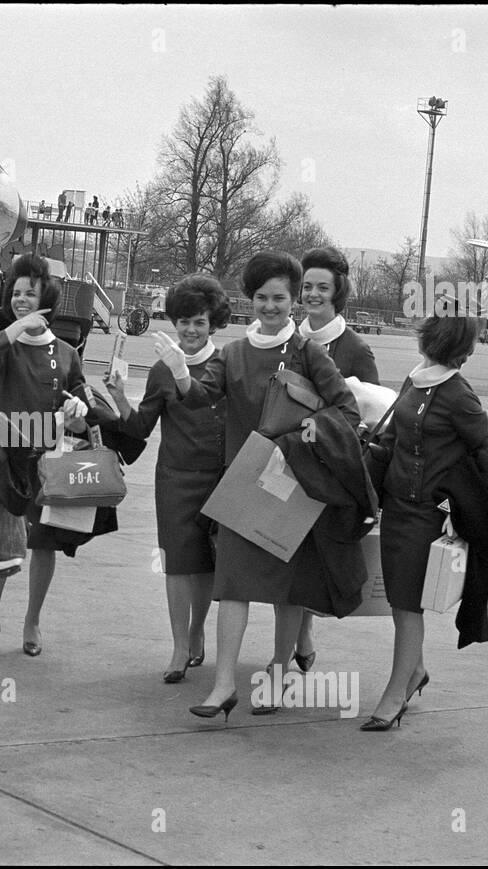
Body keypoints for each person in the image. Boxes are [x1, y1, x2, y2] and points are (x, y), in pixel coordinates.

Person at [153, 251, 361, 724]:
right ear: (251, 299)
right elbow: (204, 397)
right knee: (232, 585)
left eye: (280, 298)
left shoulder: (310, 353)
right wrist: (182, 373)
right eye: (263, 298)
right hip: (244, 483)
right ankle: (224, 684)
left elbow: (345, 408)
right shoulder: (234, 353)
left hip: (294, 484)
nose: (271, 307)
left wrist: (313, 427)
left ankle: (279, 671)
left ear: (293, 301)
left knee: (289, 589)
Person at [361, 310, 488, 730]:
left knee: (406, 607)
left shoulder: (459, 395)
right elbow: (393, 439)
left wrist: (463, 507)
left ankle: (394, 694)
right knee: (399, 602)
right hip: (396, 508)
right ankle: (415, 671)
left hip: (426, 517)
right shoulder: (416, 379)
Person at [104, 275, 230, 682]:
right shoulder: (161, 371)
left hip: (217, 478)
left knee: (208, 565)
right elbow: (141, 428)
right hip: (174, 479)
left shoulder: (225, 365)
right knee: (176, 565)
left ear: (213, 323)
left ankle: (196, 633)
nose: (190, 331)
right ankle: (179, 647)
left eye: (198, 322)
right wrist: (121, 399)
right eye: (183, 322)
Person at [0, 254, 91, 657]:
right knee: (1, 542)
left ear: (48, 299)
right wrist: (17, 327)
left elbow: (82, 399)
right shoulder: (3, 345)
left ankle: (32, 620)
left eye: (31, 293)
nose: (22, 299)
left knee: (42, 543)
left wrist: (78, 410)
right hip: (4, 458)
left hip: (47, 461)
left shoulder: (67, 352)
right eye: (16, 293)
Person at [291, 246, 381, 673]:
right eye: (306, 286)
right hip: (288, 461)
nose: (312, 294)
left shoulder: (356, 350)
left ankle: (303, 632)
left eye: (321, 287)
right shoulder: (288, 338)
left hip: (330, 471)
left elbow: (373, 417)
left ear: (337, 292)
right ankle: (295, 635)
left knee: (313, 554)